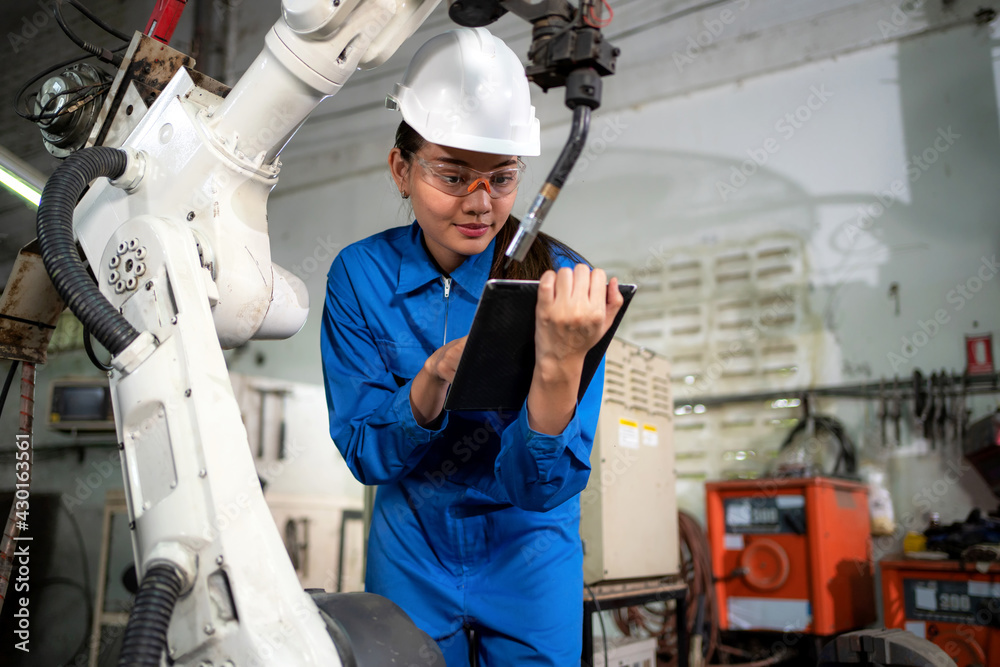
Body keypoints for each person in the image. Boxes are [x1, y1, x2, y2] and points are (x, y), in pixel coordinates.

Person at [320, 27, 623, 666]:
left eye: (503, 179)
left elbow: (544, 487)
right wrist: (428, 385)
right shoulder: (360, 277)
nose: (481, 204)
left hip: (530, 551)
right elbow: (363, 453)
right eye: (454, 176)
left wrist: (560, 366)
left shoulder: (562, 284)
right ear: (401, 169)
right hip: (412, 551)